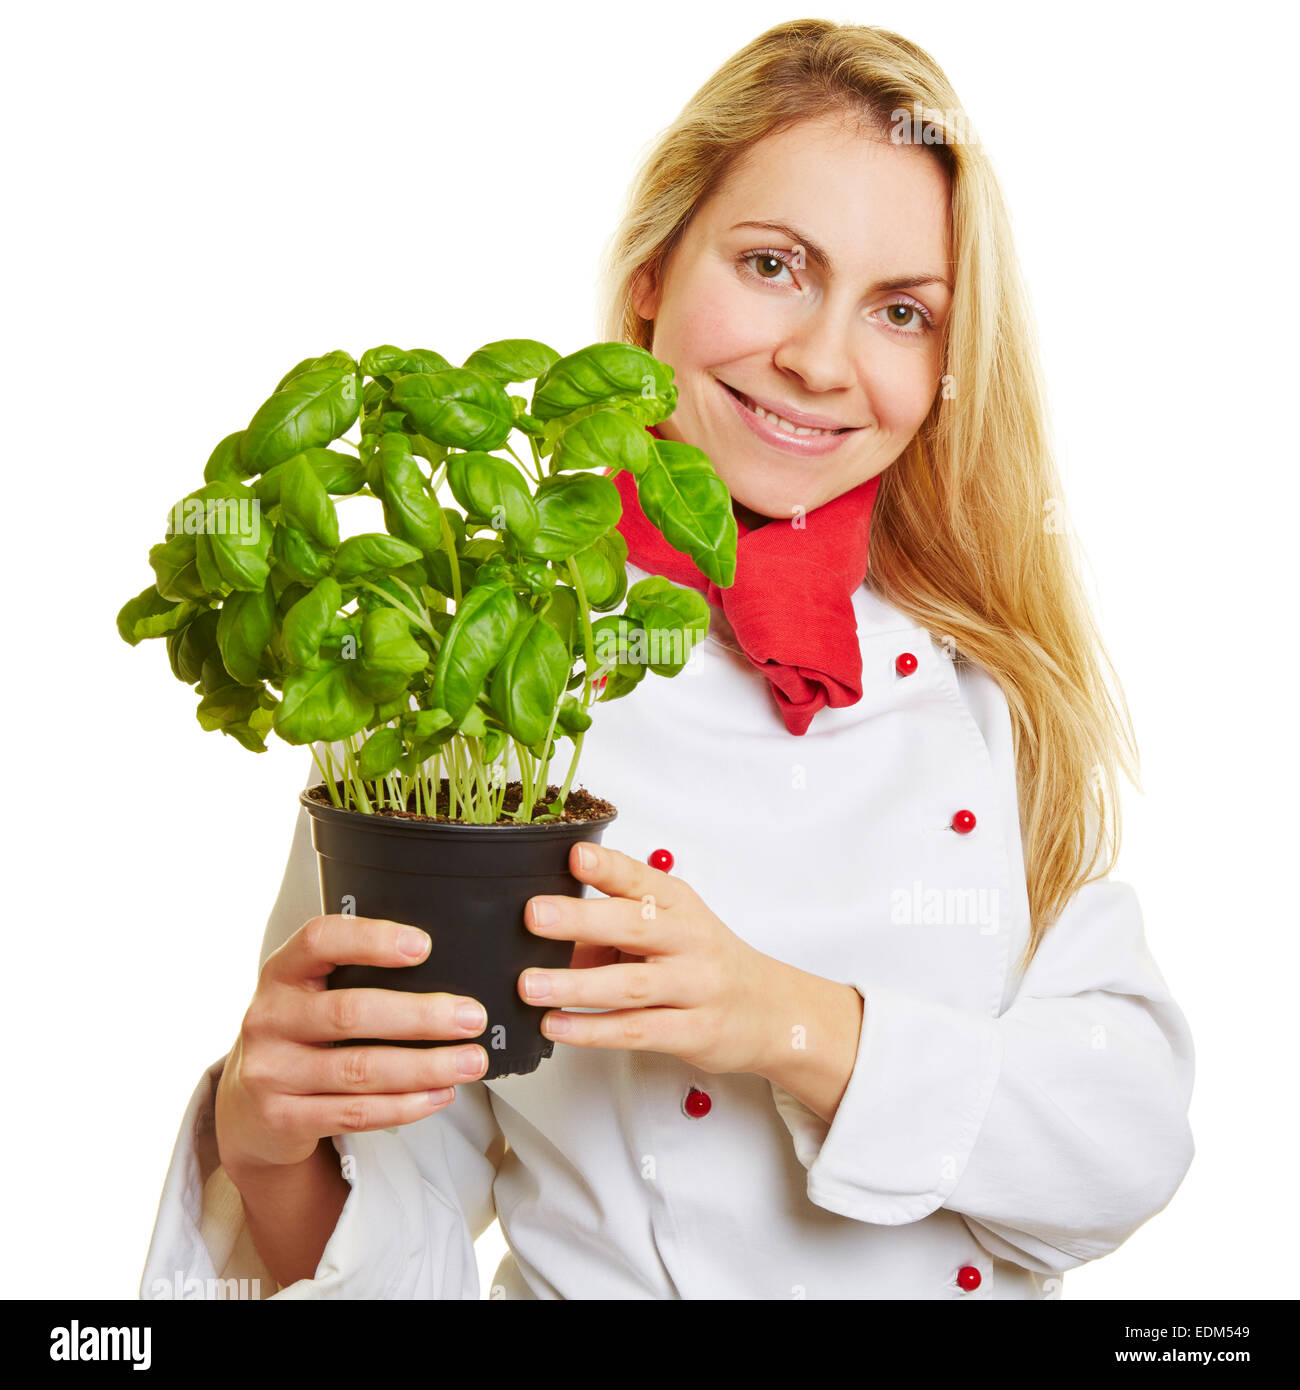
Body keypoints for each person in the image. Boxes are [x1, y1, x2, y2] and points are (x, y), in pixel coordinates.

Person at [139, 18, 1195, 1300]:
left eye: (901, 310)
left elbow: (1121, 1139)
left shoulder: (996, 689)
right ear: (653, 269)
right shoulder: (476, 686)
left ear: (946, 363)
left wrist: (784, 1022)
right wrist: (264, 1145)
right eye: (770, 264)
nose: (817, 358)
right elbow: (399, 1256)